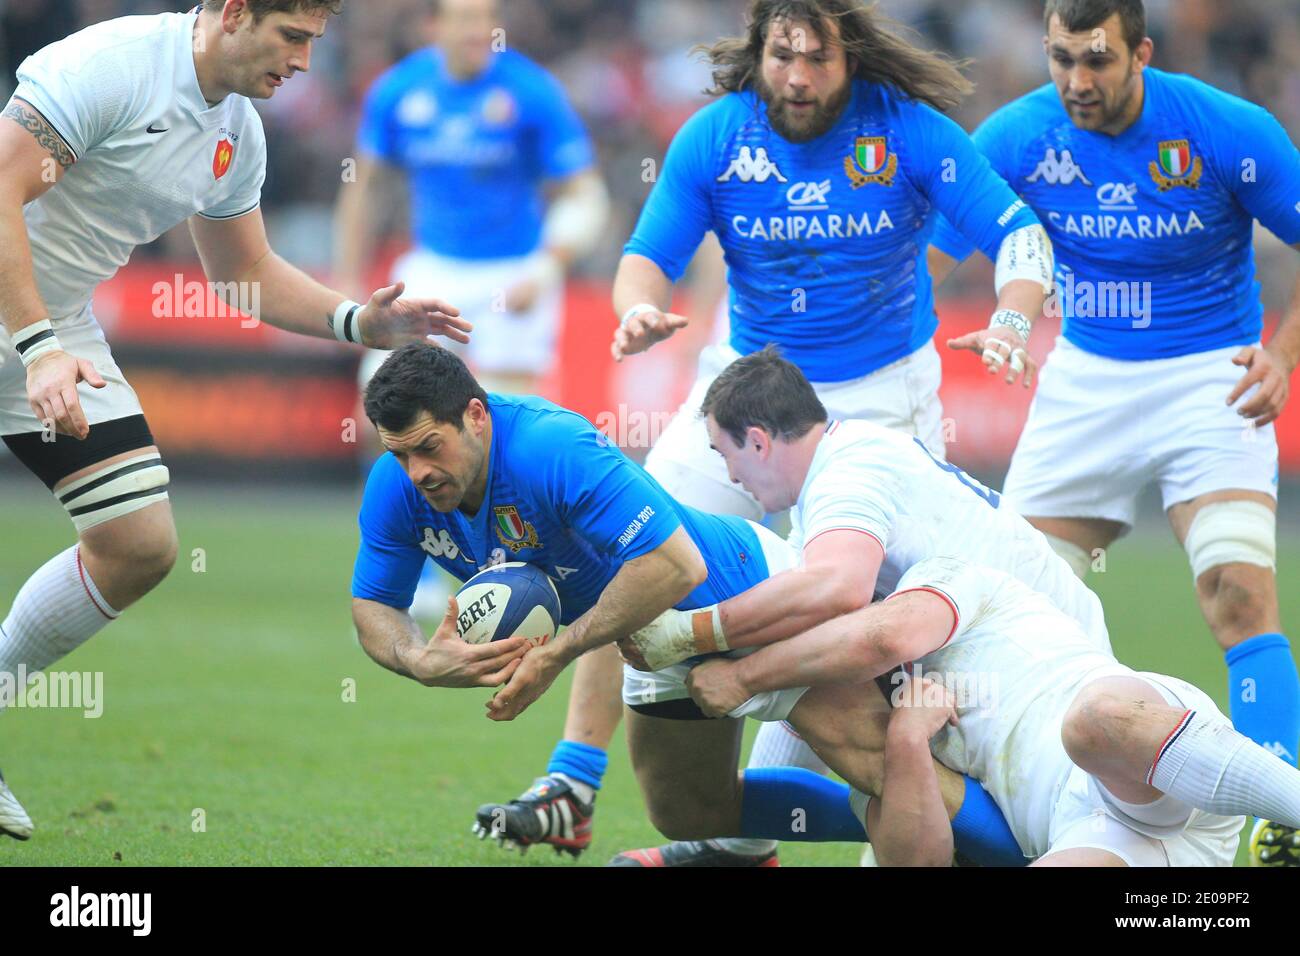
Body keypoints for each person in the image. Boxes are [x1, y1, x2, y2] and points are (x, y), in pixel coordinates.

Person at [482, 0, 1056, 865]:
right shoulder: (716, 136)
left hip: (879, 404)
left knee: (879, 633)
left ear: (849, 57)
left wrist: (1014, 320)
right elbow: (647, 256)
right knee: (628, 544)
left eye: (817, 58)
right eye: (782, 55)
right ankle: (573, 779)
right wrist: (637, 306)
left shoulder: (912, 133)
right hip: (742, 396)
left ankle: (952, 821)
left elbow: (1019, 235)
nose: (796, 75)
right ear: (760, 52)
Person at [0, 0, 470, 841]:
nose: (302, 60)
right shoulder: (113, 64)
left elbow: (243, 268)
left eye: (315, 43)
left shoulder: (237, 134)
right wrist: (37, 347)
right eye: (292, 36)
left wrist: (360, 322)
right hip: (29, 321)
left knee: (139, 543)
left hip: (53, 321)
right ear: (232, 13)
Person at [351, 343, 1025, 866]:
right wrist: (417, 659)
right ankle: (905, 824)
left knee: (880, 763)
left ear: (475, 416)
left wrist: (557, 652)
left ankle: (1023, 847)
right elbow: (372, 606)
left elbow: (675, 565)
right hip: (650, 638)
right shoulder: (399, 486)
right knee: (688, 810)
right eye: (400, 455)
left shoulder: (549, 448)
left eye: (428, 449)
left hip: (743, 596)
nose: (418, 473)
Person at [928, 0, 1300, 865]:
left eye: (1096, 61)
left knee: (1238, 593)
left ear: (1142, 50)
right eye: (1061, 59)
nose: (1076, 81)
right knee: (1009, 613)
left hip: (1213, 374)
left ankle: (1282, 812)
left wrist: (1282, 354)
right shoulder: (1019, 135)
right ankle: (1036, 808)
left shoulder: (1222, 128)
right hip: (1083, 384)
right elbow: (935, 252)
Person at [684, 556, 1300, 867]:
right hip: (1091, 834)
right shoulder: (866, 732)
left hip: (1143, 752)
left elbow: (884, 639)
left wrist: (741, 676)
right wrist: (905, 738)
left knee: (1089, 724)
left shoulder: (941, 581)